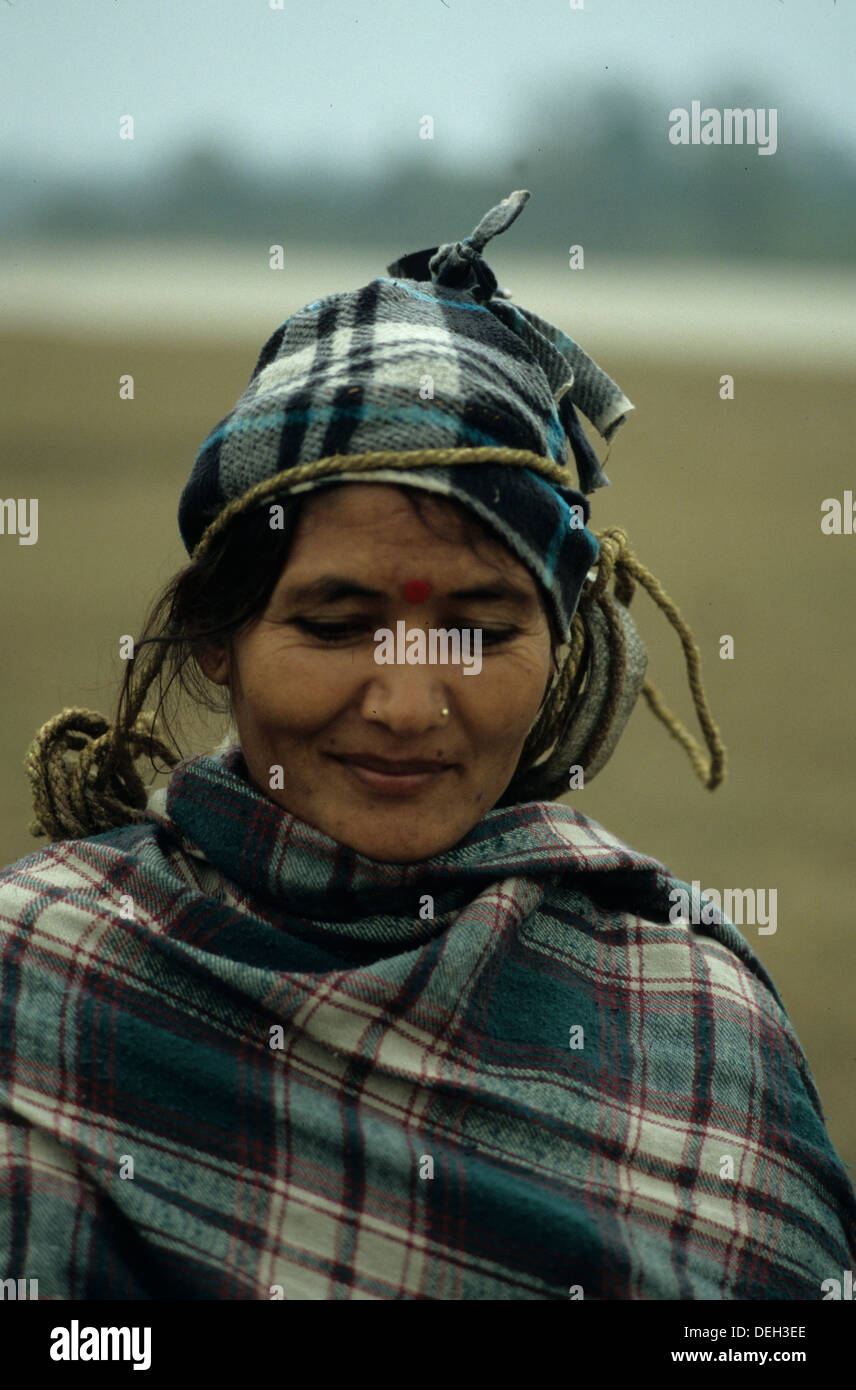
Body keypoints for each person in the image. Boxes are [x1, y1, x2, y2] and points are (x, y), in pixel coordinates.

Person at [1, 192, 853, 1301]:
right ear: (219, 638)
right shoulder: (40, 973)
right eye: (334, 623)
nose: (406, 705)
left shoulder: (692, 1018)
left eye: (481, 630)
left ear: (564, 648)